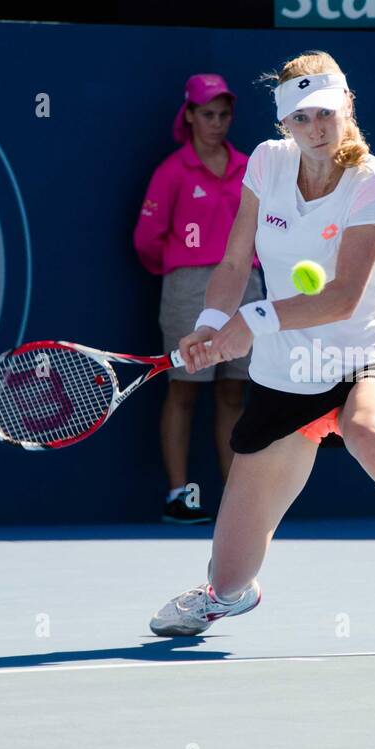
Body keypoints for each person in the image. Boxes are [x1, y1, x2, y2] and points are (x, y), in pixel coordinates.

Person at [146, 51, 375, 653]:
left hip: (361, 359)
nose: (316, 128)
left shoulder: (374, 181)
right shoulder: (265, 162)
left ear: (347, 110)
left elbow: (342, 297)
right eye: (302, 117)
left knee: (370, 434)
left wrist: (250, 321)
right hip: (283, 376)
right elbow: (236, 261)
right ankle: (228, 595)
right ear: (284, 123)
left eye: (327, 113)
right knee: (227, 576)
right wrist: (212, 322)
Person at [134, 74, 266, 524]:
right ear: (188, 115)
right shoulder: (171, 172)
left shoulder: (251, 168)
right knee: (185, 388)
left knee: (234, 390)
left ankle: (235, 502)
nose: (217, 123)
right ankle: (178, 496)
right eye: (207, 114)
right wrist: (183, 271)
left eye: (224, 114)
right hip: (188, 287)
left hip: (245, 286)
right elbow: (147, 240)